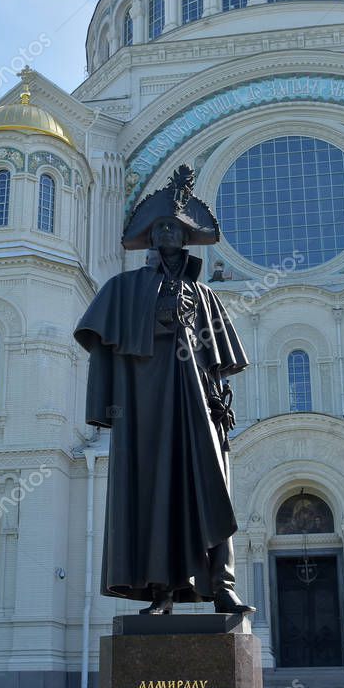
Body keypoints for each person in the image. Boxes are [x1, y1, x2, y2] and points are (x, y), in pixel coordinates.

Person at [74, 165, 255, 617]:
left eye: (177, 227)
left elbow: (220, 360)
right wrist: (109, 409)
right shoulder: (123, 290)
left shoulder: (206, 296)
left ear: (188, 237)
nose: (169, 233)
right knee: (152, 488)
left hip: (195, 404)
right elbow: (102, 348)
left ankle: (221, 584)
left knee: (210, 482)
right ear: (151, 239)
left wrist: (218, 401)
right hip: (144, 405)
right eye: (161, 228)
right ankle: (161, 592)